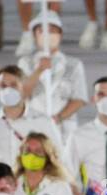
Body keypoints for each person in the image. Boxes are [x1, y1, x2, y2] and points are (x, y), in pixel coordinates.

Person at [0, 65, 62, 195]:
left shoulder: (43, 121)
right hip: (1, 193)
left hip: (36, 193)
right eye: (3, 86)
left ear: (23, 87)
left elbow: (60, 157)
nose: (8, 90)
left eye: (13, 85)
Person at [20, 12, 89, 144]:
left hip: (64, 129)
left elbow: (79, 99)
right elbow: (22, 94)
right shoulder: (25, 63)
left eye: (52, 31)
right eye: (42, 31)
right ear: (35, 35)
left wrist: (57, 119)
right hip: (33, 128)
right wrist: (39, 70)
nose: (48, 35)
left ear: (60, 34)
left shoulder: (73, 64)